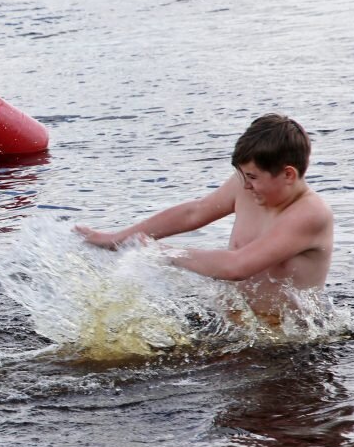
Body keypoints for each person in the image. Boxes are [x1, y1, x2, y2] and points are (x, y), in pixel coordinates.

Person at [75, 113, 333, 317]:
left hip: (286, 340)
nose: (245, 186)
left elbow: (237, 266)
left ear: (288, 174)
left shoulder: (310, 214)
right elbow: (193, 213)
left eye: (252, 177)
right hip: (236, 324)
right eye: (243, 175)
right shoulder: (248, 188)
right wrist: (116, 238)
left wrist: (164, 253)